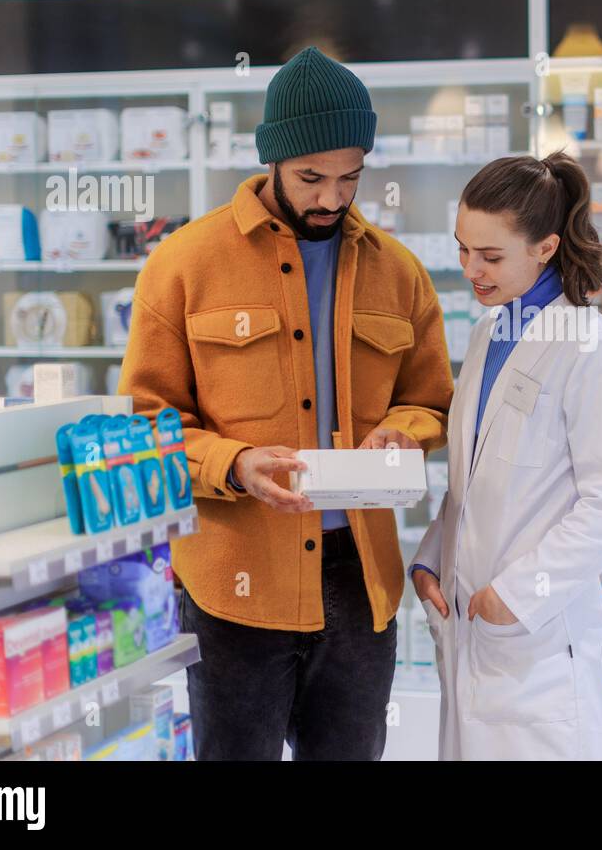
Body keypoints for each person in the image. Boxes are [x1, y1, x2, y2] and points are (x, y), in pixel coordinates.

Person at [118, 46, 454, 760]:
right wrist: (234, 464)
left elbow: (432, 400)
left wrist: (403, 430)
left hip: (359, 586)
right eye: (311, 178)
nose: (331, 198)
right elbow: (147, 419)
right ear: (271, 160)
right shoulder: (184, 263)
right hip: (234, 584)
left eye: (350, 178)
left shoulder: (400, 273)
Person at [411, 150, 602, 760]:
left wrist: (517, 594)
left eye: (491, 256)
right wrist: (432, 556)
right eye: (463, 249)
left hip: (535, 646)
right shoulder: (489, 331)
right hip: (469, 633)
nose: (471, 270)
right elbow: (473, 476)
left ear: (544, 247)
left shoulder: (591, 348)